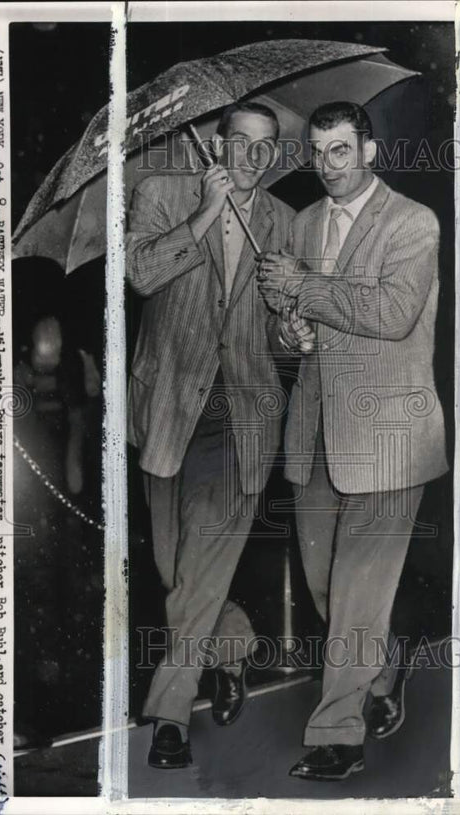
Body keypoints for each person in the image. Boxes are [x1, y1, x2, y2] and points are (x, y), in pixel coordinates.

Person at [258, 101, 449, 781]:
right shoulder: (305, 223)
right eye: (316, 152)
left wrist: (305, 289)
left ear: (369, 151)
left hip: (390, 436)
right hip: (315, 435)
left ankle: (337, 733)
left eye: (340, 150)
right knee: (329, 592)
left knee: (358, 591)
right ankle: (388, 664)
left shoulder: (412, 222)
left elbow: (394, 314)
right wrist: (292, 335)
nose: (326, 165)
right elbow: (290, 330)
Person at [126, 101, 297, 768]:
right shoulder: (161, 192)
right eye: (241, 143)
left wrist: (295, 327)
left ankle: (169, 714)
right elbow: (140, 275)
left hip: (241, 411)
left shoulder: (283, 221)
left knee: (197, 572)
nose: (251, 159)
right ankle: (234, 644)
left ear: (275, 155)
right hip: (169, 404)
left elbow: (282, 333)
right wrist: (202, 213)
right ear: (218, 142)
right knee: (179, 566)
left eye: (265, 148)